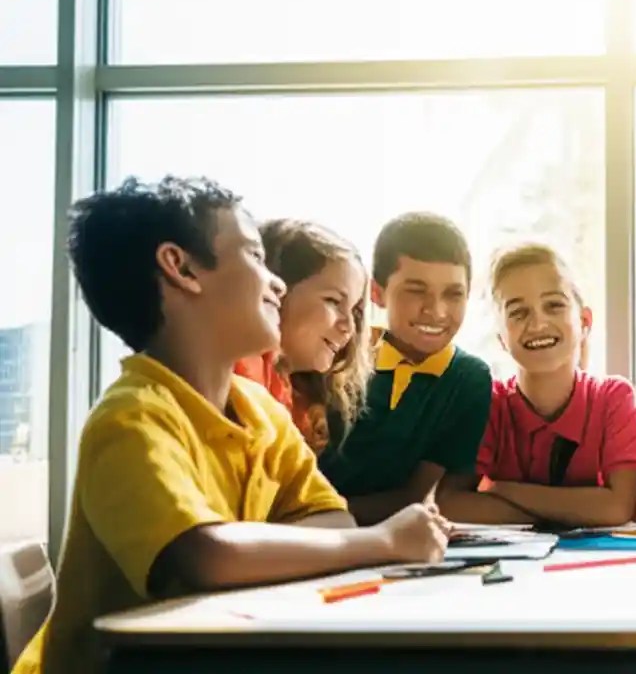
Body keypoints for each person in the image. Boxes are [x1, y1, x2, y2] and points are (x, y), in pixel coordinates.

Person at [15, 178, 448, 674]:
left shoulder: (262, 412)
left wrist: (256, 549)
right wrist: (386, 541)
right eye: (255, 256)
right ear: (181, 268)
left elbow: (332, 521)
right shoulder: (132, 418)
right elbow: (205, 555)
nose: (277, 283)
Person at [438, 243, 636, 526]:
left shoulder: (613, 397)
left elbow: (617, 508)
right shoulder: (488, 402)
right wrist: (575, 511)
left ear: (584, 321)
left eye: (554, 306)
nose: (537, 324)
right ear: (501, 336)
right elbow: (449, 503)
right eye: (518, 313)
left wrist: (503, 490)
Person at [318, 212, 492, 525]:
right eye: (415, 290)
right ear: (376, 293)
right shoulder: (333, 353)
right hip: (294, 528)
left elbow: (412, 497)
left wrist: (320, 516)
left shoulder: (468, 380)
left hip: (364, 533)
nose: (436, 311)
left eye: (453, 294)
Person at [233, 219, 372, 454]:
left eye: (355, 312)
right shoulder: (240, 368)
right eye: (334, 301)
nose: (349, 326)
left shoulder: (298, 400)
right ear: (275, 289)